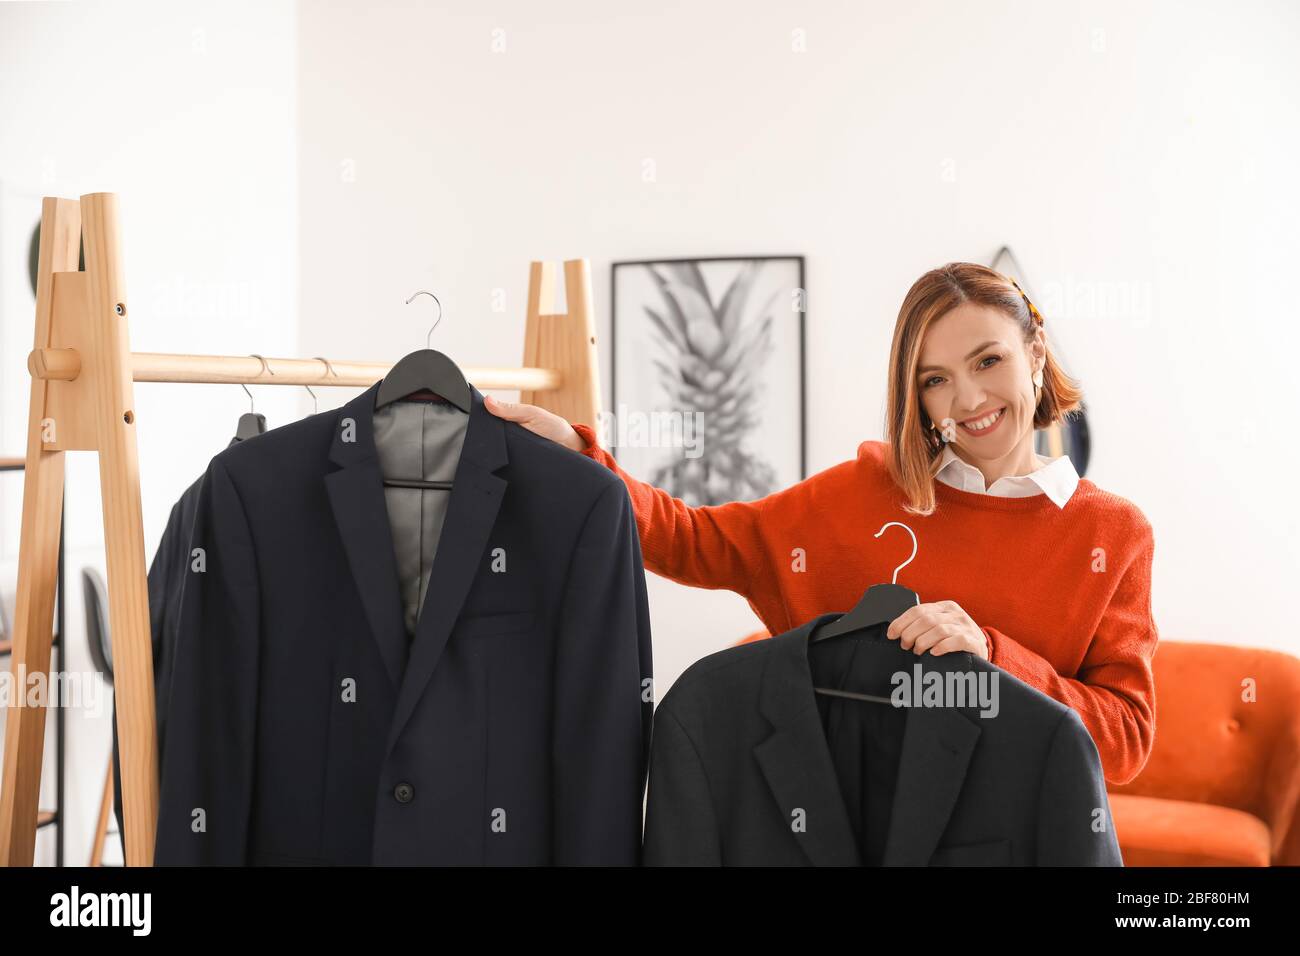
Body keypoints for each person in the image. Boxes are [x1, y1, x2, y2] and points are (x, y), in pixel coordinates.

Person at [486, 262, 1157, 786]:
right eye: (935, 380)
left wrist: (991, 654)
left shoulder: (1114, 535)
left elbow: (1126, 740)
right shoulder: (864, 493)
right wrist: (582, 459)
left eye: (989, 360)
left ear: (1035, 350)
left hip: (1023, 834)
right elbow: (695, 541)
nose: (969, 400)